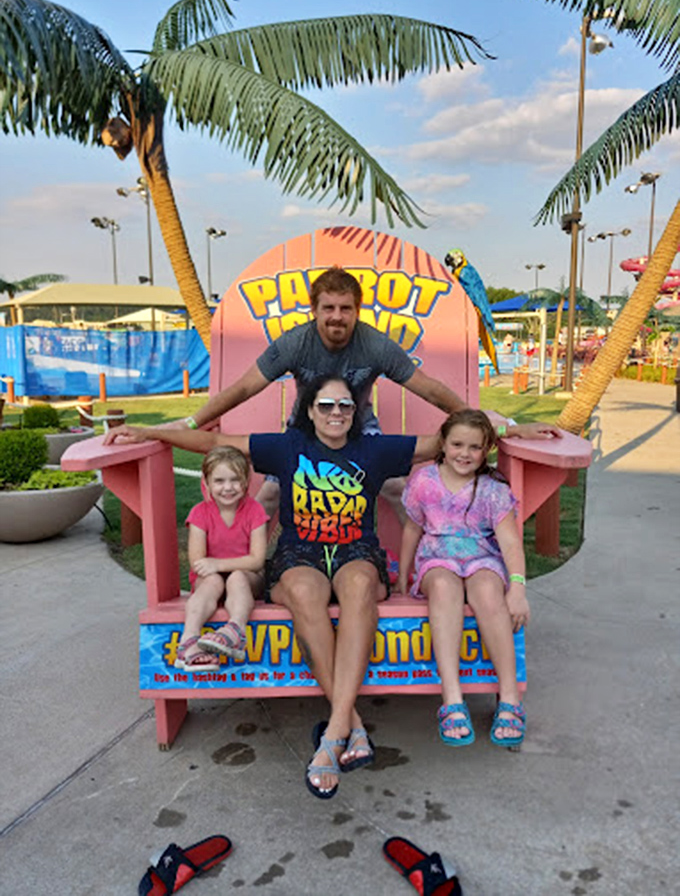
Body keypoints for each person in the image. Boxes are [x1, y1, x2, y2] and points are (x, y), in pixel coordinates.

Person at [106, 375, 457, 799]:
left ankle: (334, 733)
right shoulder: (287, 446)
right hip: (300, 553)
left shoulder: (374, 449)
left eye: (345, 407)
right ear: (309, 411)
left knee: (361, 587)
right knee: (305, 593)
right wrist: (145, 431)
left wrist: (511, 428)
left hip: (356, 551)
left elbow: (447, 441)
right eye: (325, 406)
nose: (335, 414)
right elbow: (211, 441)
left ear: (356, 413)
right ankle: (351, 725)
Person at [104, 268, 561, 522]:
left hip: (361, 425)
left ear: (356, 311)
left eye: (346, 308)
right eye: (329, 308)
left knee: (400, 489)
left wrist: (503, 427)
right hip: (305, 428)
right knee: (268, 497)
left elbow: (433, 391)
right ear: (314, 310)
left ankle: (421, 568)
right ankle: (266, 571)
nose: (337, 317)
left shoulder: (375, 343)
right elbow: (243, 387)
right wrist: (188, 424)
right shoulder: (295, 343)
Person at [398, 409, 529, 749]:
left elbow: (510, 543)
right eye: (457, 444)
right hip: (436, 558)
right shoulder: (424, 481)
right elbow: (413, 527)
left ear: (486, 449)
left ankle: (510, 698)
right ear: (443, 443)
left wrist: (517, 588)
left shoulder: (492, 489)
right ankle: (452, 698)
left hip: (482, 557)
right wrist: (403, 575)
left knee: (487, 589)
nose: (464, 453)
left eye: (474, 447)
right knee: (443, 585)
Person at [175, 446, 268, 672]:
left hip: (247, 579)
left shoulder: (254, 511)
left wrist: (219, 564)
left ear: (246, 481)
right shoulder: (200, 513)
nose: (228, 488)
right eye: (219, 481)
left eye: (235, 480)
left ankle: (235, 630)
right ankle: (189, 640)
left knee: (236, 577)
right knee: (213, 581)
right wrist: (214, 569)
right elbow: (198, 562)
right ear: (206, 484)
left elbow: (257, 561)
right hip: (210, 581)